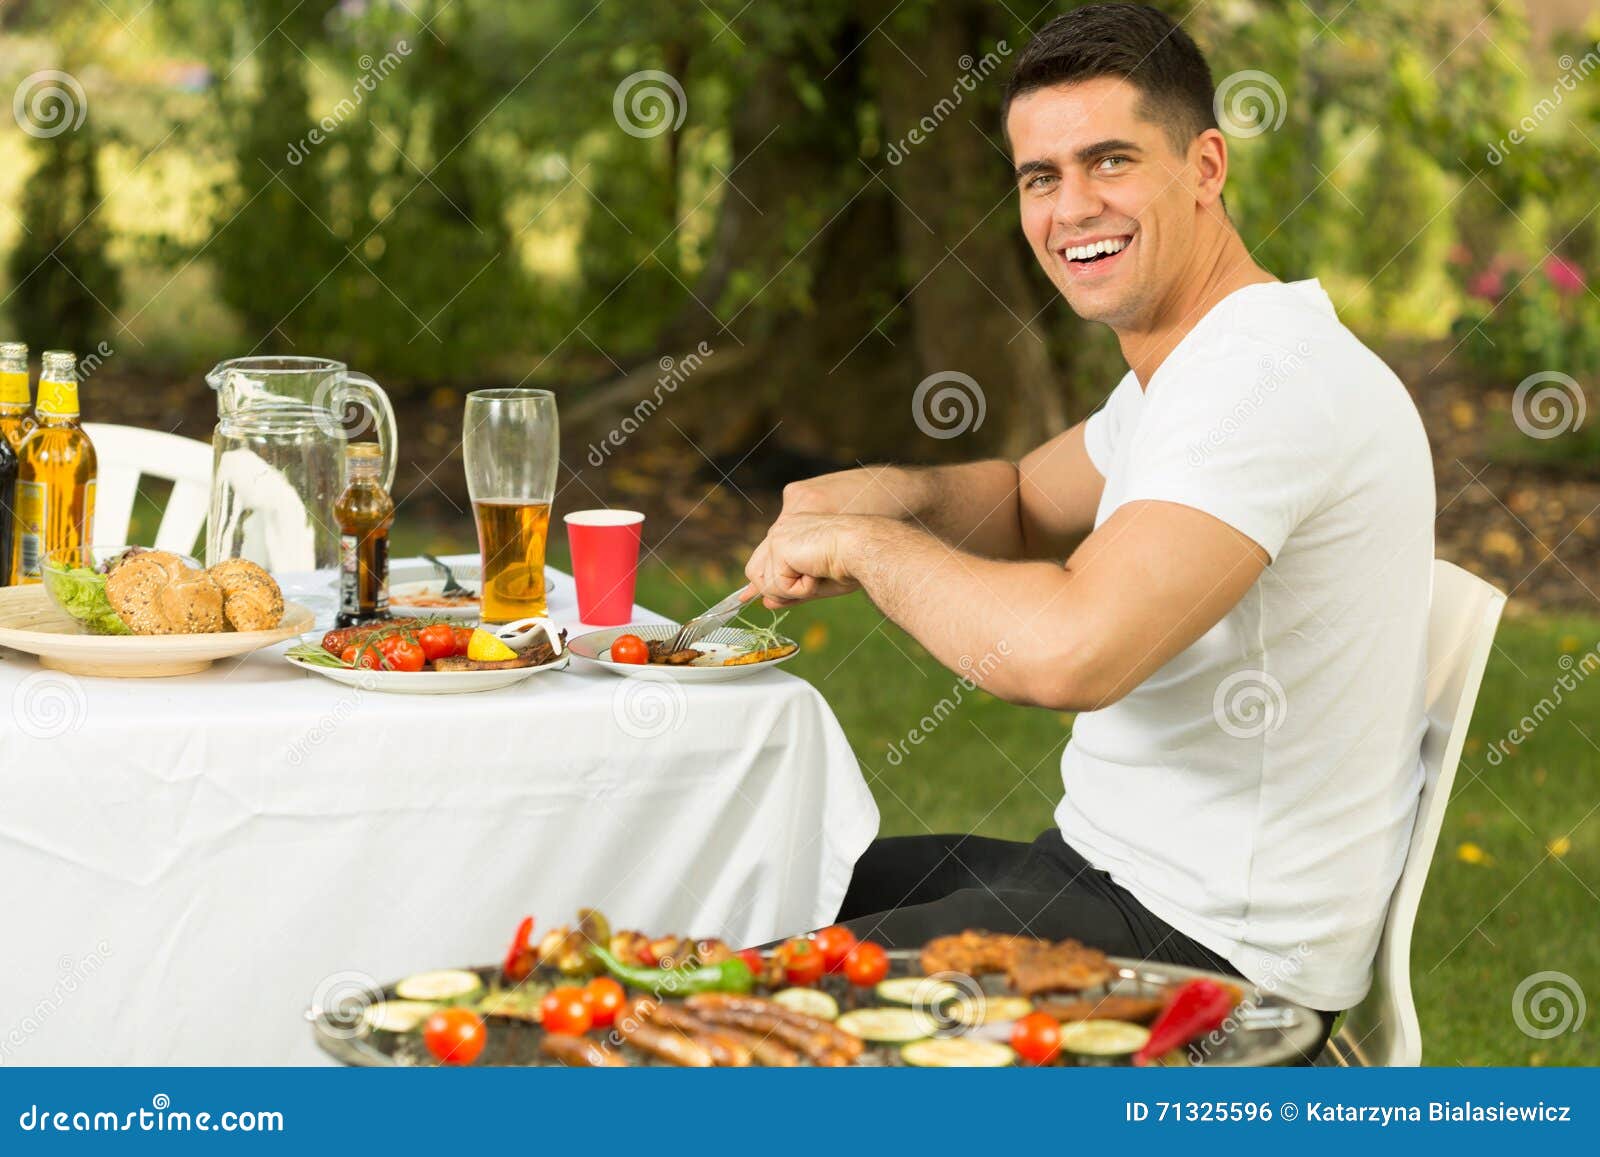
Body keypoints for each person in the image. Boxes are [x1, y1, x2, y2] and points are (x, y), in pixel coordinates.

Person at [740, 3, 1435, 1047]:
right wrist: (874, 495)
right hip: (1097, 873)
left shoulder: (1264, 381)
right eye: (1040, 176)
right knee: (746, 886)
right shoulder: (1196, 365)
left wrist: (869, 547)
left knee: (744, 1013)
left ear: (1205, 165)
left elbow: (1072, 654)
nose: (1072, 206)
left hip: (1203, 959)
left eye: (1109, 160)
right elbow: (1022, 501)